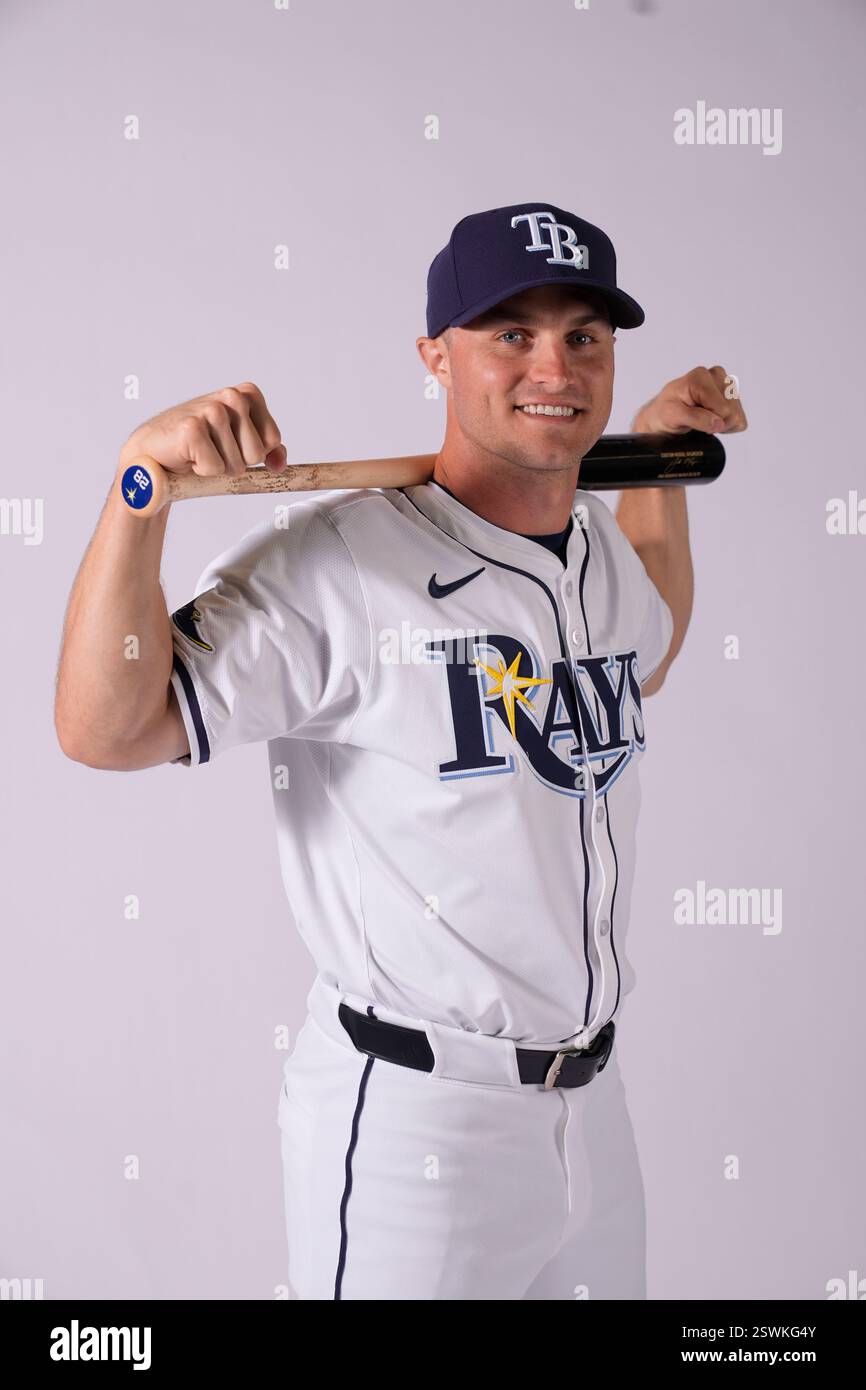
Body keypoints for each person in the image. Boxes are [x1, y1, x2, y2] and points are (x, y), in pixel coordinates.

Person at [55, 202, 747, 1300]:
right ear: (434, 354)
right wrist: (139, 493)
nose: (552, 365)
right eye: (509, 333)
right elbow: (107, 728)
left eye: (584, 336)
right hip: (415, 1126)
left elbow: (648, 635)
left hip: (594, 1118)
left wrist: (653, 457)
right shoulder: (337, 565)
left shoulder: (601, 555)